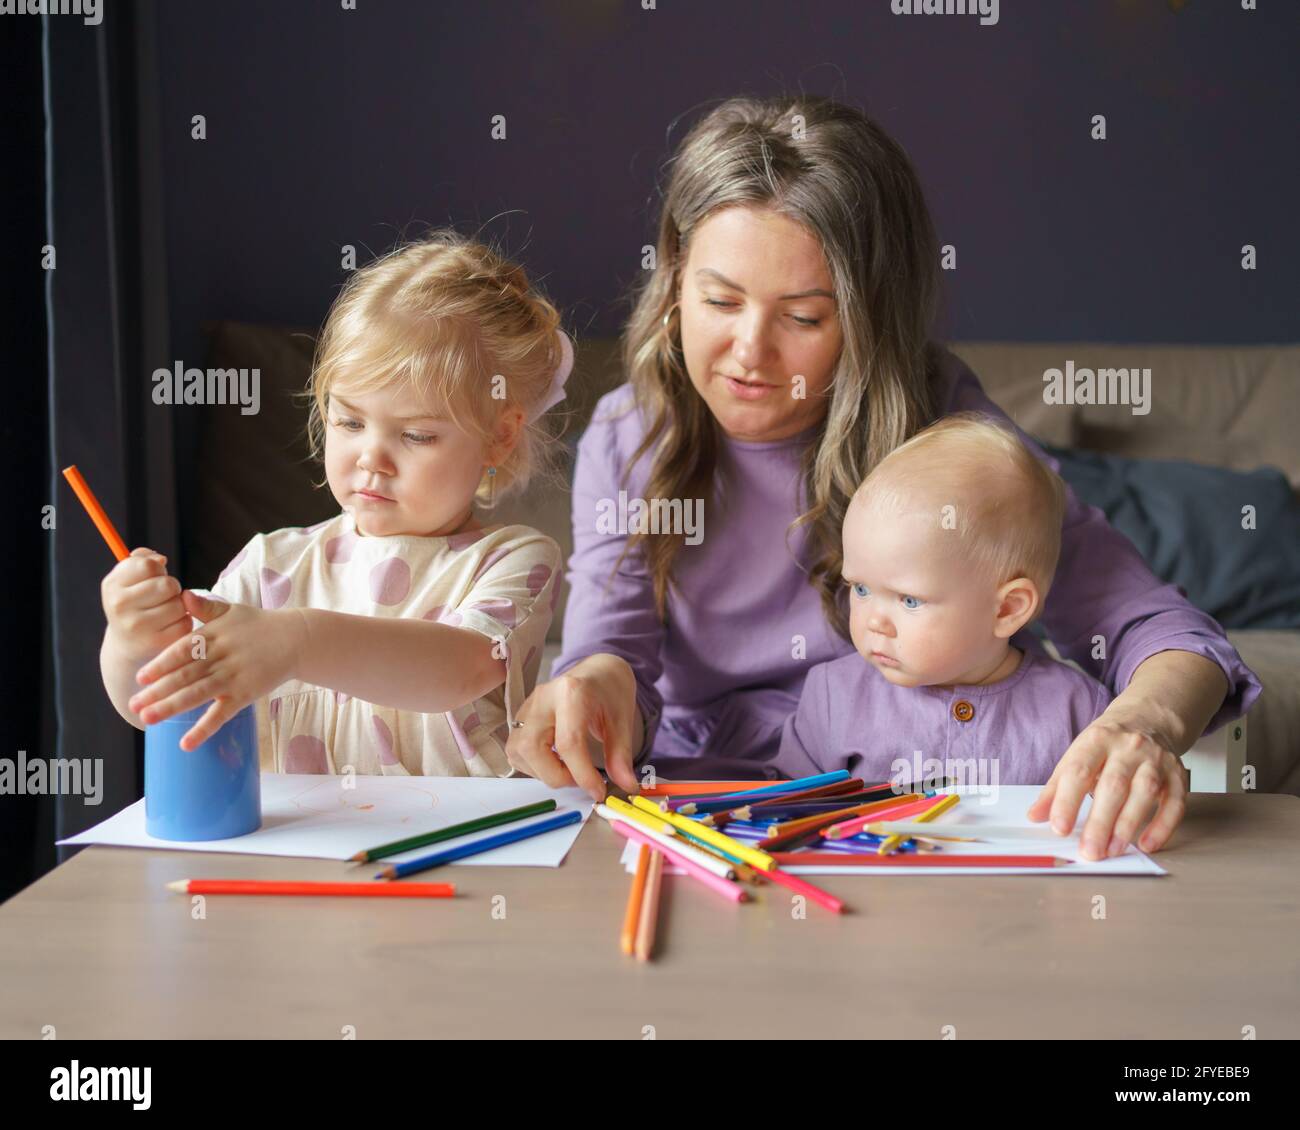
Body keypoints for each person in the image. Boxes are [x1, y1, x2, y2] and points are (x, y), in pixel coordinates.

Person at [508, 95, 1260, 862]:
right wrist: (595, 683)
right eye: (719, 300)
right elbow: (614, 651)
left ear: (871, 317)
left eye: (803, 318)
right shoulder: (629, 434)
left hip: (914, 802)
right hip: (710, 808)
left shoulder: (942, 420)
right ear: (672, 284)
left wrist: (1143, 724)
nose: (748, 352)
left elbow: (1158, 630)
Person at [101, 232, 567, 776]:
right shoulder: (270, 564)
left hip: (453, 846)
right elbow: (159, 700)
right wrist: (132, 641)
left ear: (499, 437)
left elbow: (457, 671)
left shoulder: (514, 558)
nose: (372, 459)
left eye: (416, 435)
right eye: (348, 422)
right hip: (294, 847)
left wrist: (299, 640)